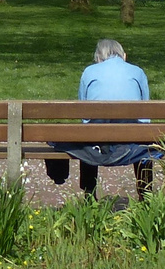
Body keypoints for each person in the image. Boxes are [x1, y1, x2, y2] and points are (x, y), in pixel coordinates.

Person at [45, 39, 157, 198]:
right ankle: (146, 194)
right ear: (123, 56)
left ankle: (89, 193)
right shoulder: (137, 71)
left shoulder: (89, 72)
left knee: (89, 134)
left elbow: (85, 115)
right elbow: (146, 116)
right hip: (132, 138)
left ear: (98, 57)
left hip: (98, 139)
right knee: (143, 139)